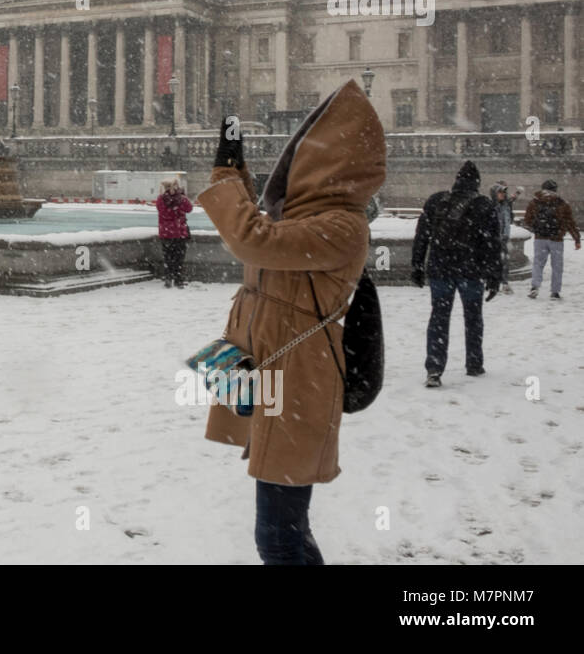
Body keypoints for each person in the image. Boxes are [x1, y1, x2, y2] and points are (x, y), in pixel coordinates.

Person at [197, 80, 386, 565]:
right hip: (272, 375)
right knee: (289, 530)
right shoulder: (301, 219)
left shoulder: (342, 226)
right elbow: (258, 232)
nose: (292, 165)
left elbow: (250, 239)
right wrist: (235, 167)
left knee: (277, 537)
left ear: (331, 164)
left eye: (303, 156)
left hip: (299, 384)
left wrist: (223, 175)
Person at [410, 161, 502, 386]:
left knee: (439, 318)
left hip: (441, 268)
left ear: (456, 180)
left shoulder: (436, 201)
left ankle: (434, 367)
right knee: (473, 318)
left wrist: (417, 266)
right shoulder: (484, 205)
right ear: (477, 183)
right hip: (471, 271)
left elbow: (421, 236)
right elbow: (492, 244)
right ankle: (474, 363)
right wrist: (494, 276)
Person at [523, 179, 581, 299]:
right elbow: (570, 222)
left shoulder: (535, 202)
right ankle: (555, 291)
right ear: (555, 190)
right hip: (557, 239)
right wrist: (576, 239)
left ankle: (535, 287)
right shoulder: (562, 203)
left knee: (538, 264)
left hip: (540, 238)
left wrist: (537, 227)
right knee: (557, 266)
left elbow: (527, 220)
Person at [153, 177, 192, 287]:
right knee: (179, 258)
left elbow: (164, 213)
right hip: (179, 233)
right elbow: (189, 208)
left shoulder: (161, 199)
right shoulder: (181, 199)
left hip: (166, 233)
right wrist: (182, 196)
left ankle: (168, 279)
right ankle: (178, 279)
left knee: (168, 257)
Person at [488, 181, 521, 293]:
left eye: (503, 192)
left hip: (504, 237)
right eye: (500, 192)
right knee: (493, 261)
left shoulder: (506, 205)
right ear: (494, 193)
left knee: (505, 261)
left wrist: (517, 193)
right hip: (493, 238)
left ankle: (505, 283)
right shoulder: (490, 206)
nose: (502, 194)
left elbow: (511, 201)